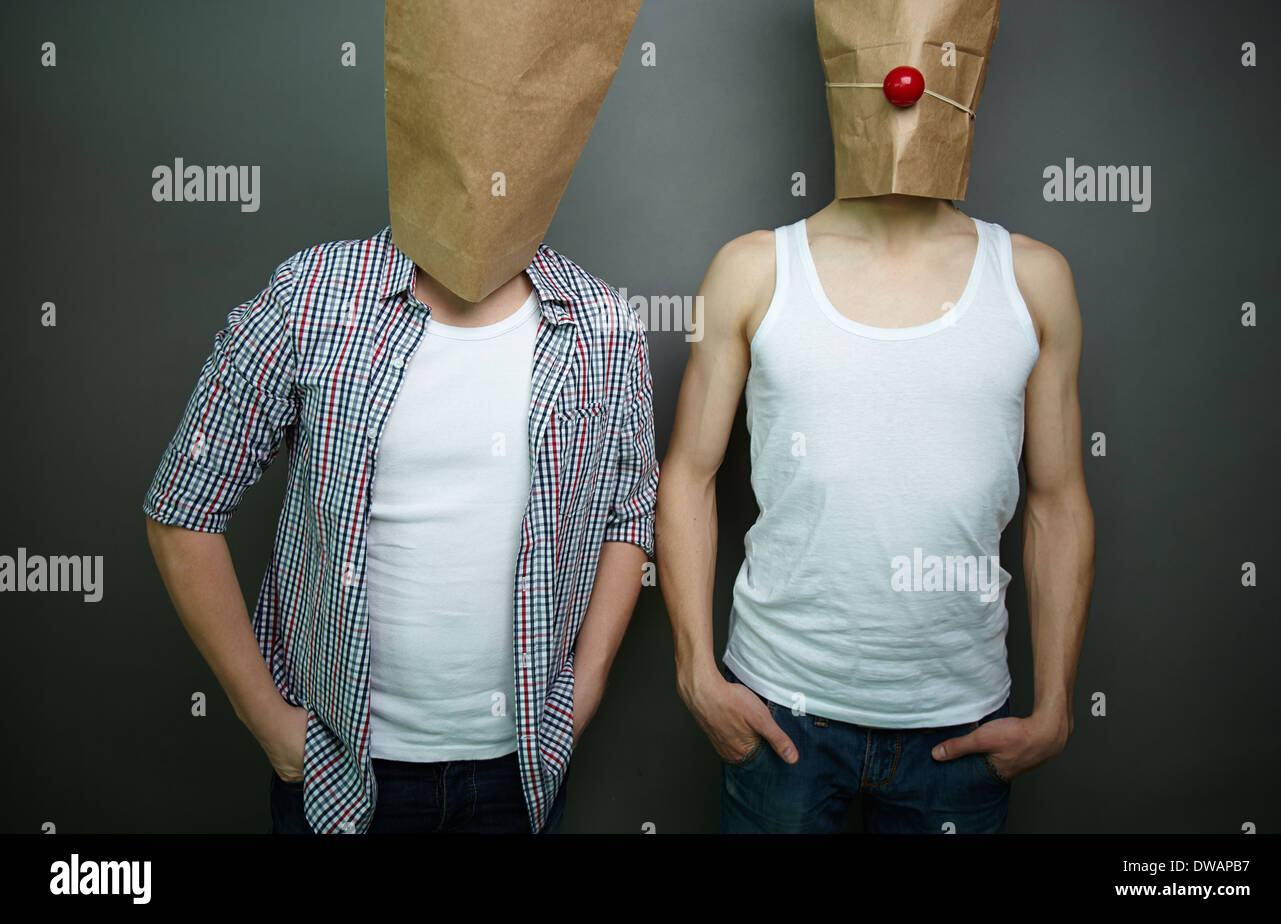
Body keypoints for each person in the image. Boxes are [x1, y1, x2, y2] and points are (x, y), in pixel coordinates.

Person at [142, 225, 657, 833]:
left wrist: (584, 691)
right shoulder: (309, 296)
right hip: (338, 772)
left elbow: (631, 511)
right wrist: (267, 719)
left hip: (522, 771)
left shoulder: (603, 321)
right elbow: (183, 506)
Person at [656, 193, 1095, 832]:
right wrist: (696, 673)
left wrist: (1056, 707)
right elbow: (689, 474)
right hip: (778, 714)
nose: (906, 88)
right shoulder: (754, 269)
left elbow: (1059, 502)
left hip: (961, 726)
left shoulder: (1031, 278)